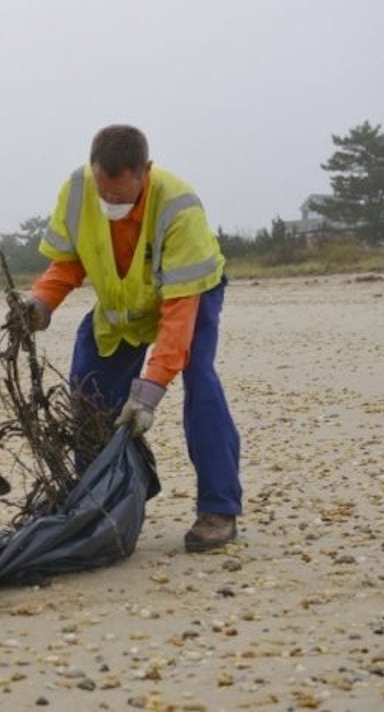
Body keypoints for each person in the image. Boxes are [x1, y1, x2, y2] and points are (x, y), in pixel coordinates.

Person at [14, 124, 240, 552]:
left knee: (200, 382)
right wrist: (40, 304)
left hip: (191, 295)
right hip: (124, 304)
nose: (111, 204)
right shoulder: (78, 190)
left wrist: (148, 394)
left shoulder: (179, 207)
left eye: (121, 196)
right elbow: (69, 262)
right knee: (89, 391)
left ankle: (219, 508)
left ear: (145, 172)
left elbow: (177, 318)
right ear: (92, 169)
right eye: (104, 194)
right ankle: (95, 498)